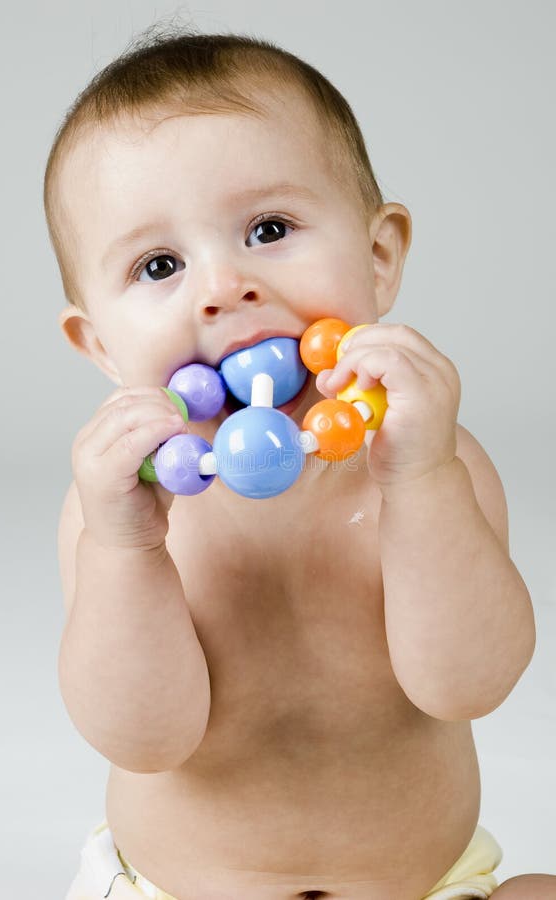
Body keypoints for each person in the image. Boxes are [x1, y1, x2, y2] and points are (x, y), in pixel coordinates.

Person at [44, 25, 556, 900]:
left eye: (268, 228)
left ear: (378, 255)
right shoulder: (123, 507)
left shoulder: (434, 461)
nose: (222, 285)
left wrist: (421, 479)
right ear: (99, 344)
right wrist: (122, 549)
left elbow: (468, 684)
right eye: (158, 264)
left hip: (425, 885)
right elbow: (144, 738)